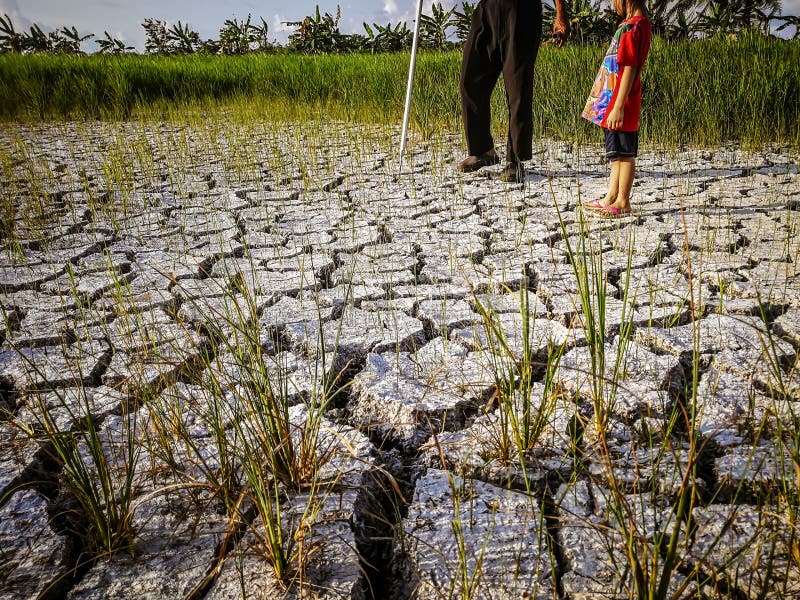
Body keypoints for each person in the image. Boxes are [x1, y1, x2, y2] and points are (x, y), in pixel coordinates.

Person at [457, 0, 570, 183]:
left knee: (518, 87)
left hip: (521, 11)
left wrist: (560, 15)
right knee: (470, 82)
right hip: (487, 9)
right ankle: (483, 150)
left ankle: (515, 159)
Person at [582, 0, 652, 217]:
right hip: (612, 102)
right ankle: (611, 196)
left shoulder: (634, 27)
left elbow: (629, 66)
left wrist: (619, 106)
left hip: (622, 102)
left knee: (625, 153)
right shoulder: (630, 24)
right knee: (615, 154)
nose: (613, 4)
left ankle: (623, 201)